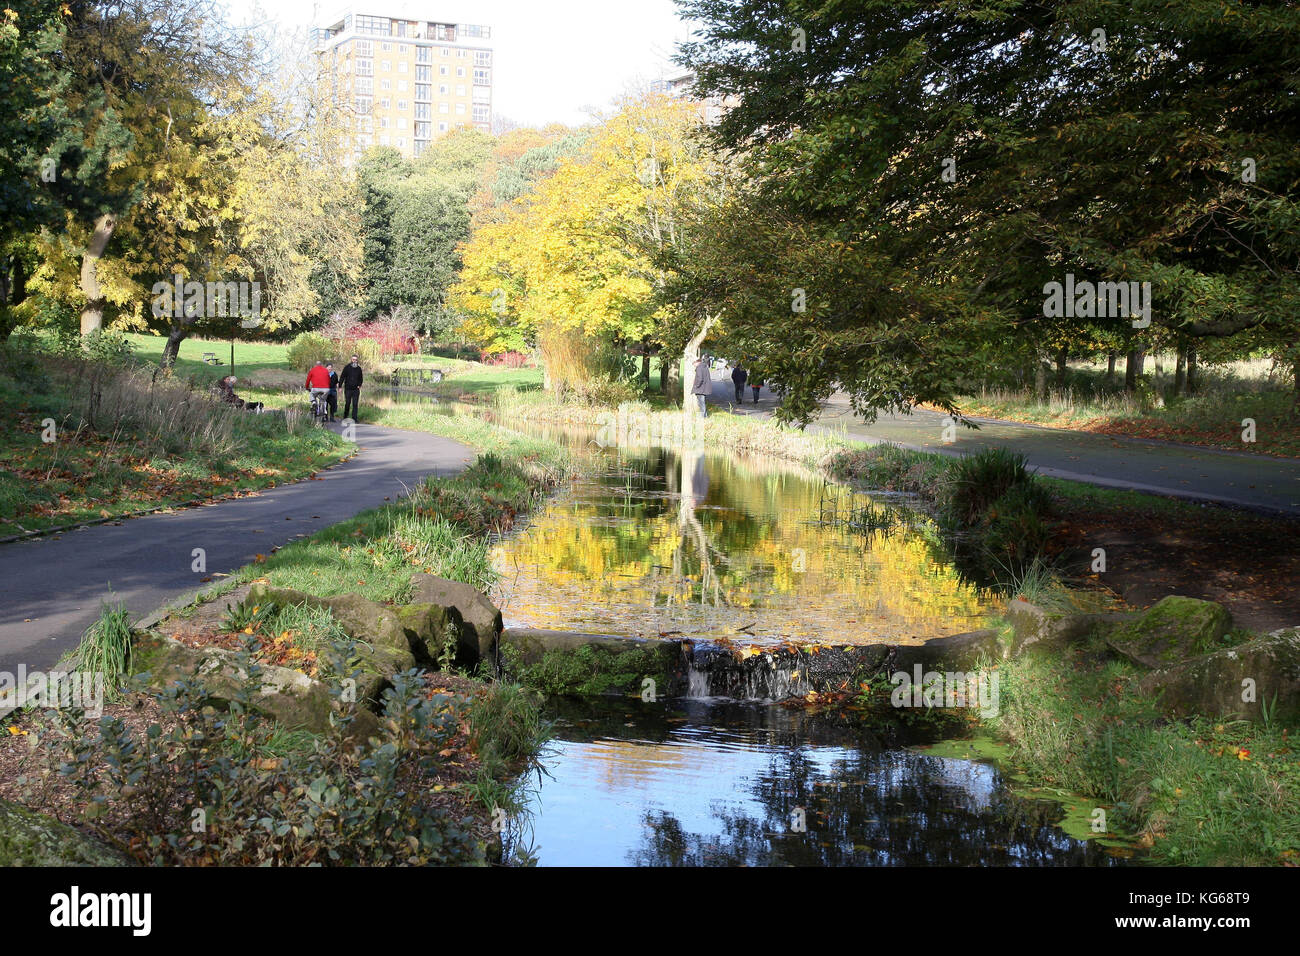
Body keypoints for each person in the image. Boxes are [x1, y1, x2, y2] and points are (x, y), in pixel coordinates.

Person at [340, 353, 364, 421]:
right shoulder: (347, 367)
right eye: (353, 359)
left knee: (355, 404)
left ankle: (355, 418)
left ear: (357, 361)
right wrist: (340, 386)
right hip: (348, 389)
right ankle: (345, 416)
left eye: (356, 360)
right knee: (347, 403)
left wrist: (359, 385)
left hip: (356, 390)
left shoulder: (359, 369)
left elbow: (361, 378)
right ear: (351, 360)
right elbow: (342, 377)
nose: (354, 361)